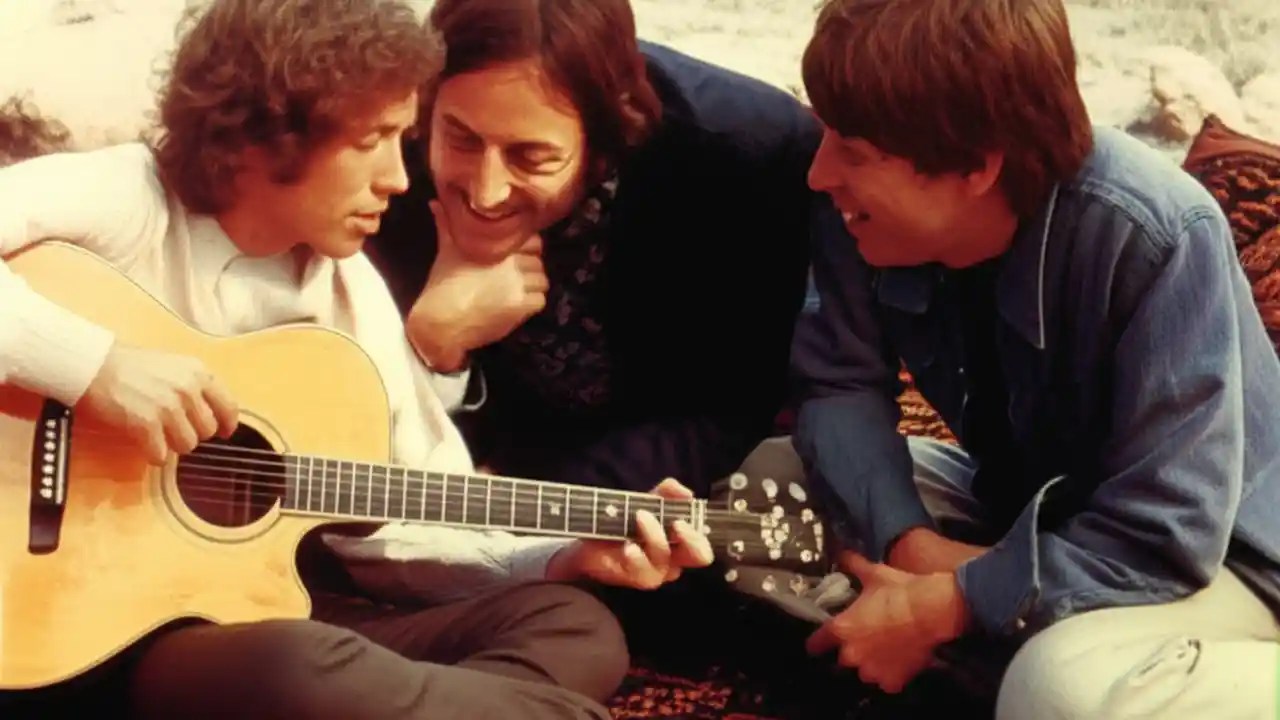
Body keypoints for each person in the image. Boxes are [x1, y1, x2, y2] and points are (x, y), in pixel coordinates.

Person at [0, 1, 712, 718]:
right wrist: (97, 368)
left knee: (572, 624)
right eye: (373, 139)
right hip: (93, 628)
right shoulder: (134, 198)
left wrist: (562, 555)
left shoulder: (350, 295)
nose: (399, 179)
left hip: (242, 618)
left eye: (403, 139)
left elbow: (413, 521)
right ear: (268, 132)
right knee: (294, 666)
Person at [781, 0, 1280, 717]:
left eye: (855, 153)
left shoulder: (1156, 231)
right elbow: (838, 388)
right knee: (768, 491)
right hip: (1027, 513)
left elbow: (1165, 533)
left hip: (1218, 568)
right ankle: (980, 635)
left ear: (977, 165)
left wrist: (951, 602)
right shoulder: (856, 210)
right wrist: (912, 549)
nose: (819, 172)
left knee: (1058, 691)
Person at [364, 0, 816, 499]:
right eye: (462, 141)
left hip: (652, 484)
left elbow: (727, 406)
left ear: (604, 151)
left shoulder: (740, 163)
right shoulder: (381, 151)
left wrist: (520, 499)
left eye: (531, 158)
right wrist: (433, 344)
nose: (485, 192)